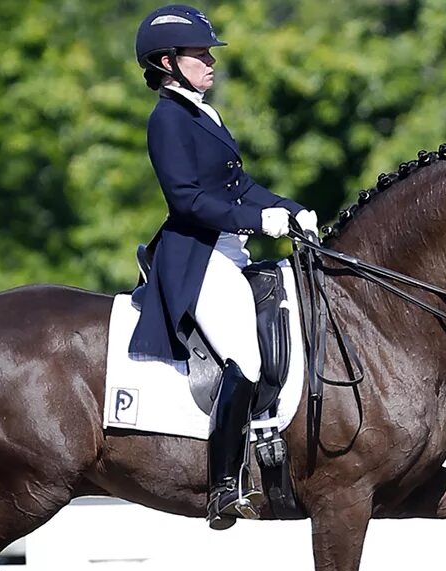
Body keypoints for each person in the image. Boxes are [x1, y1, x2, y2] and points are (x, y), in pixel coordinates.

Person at [129, 4, 318, 529]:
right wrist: (262, 221)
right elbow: (188, 201)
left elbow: (239, 186)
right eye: (200, 54)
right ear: (167, 61)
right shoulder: (167, 119)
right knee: (247, 359)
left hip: (231, 250)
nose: (211, 61)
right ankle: (223, 486)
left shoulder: (202, 112)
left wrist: (291, 208)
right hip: (197, 256)